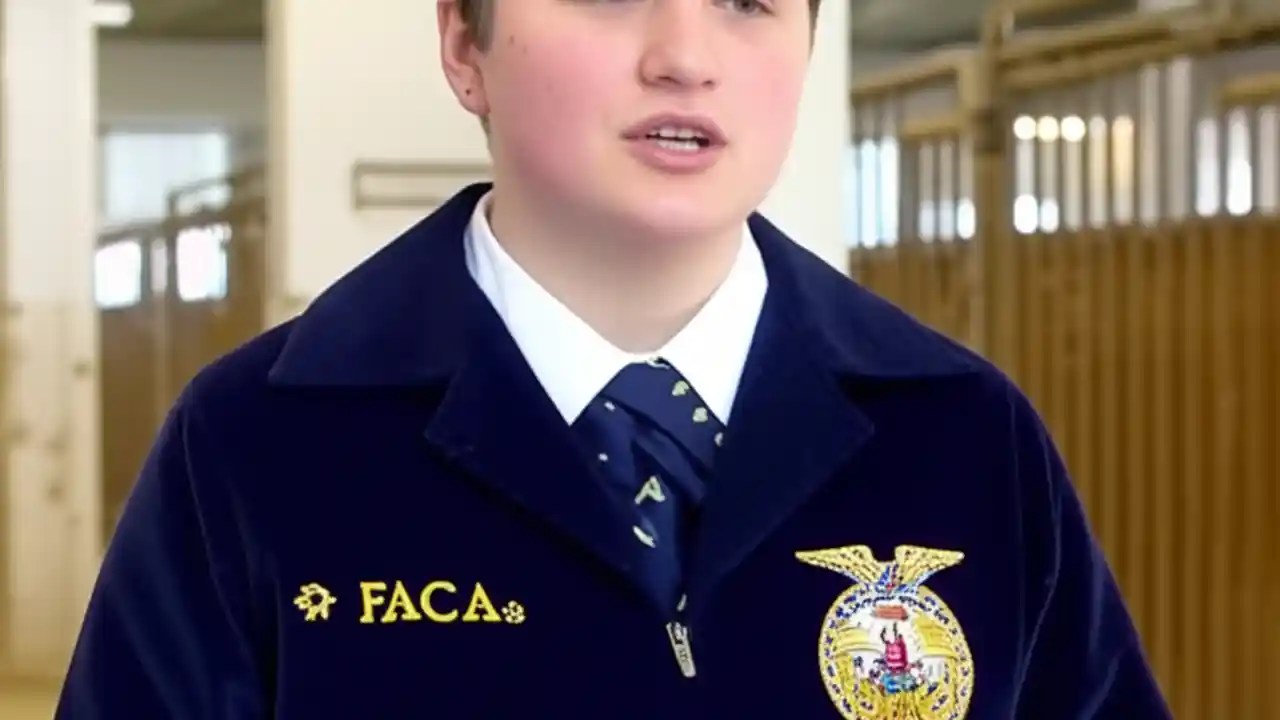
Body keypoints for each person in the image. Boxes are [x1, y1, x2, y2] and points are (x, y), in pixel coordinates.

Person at [56, 1, 1172, 717]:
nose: (684, 57)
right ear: (463, 45)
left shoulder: (959, 434)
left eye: (749, 1)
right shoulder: (261, 442)